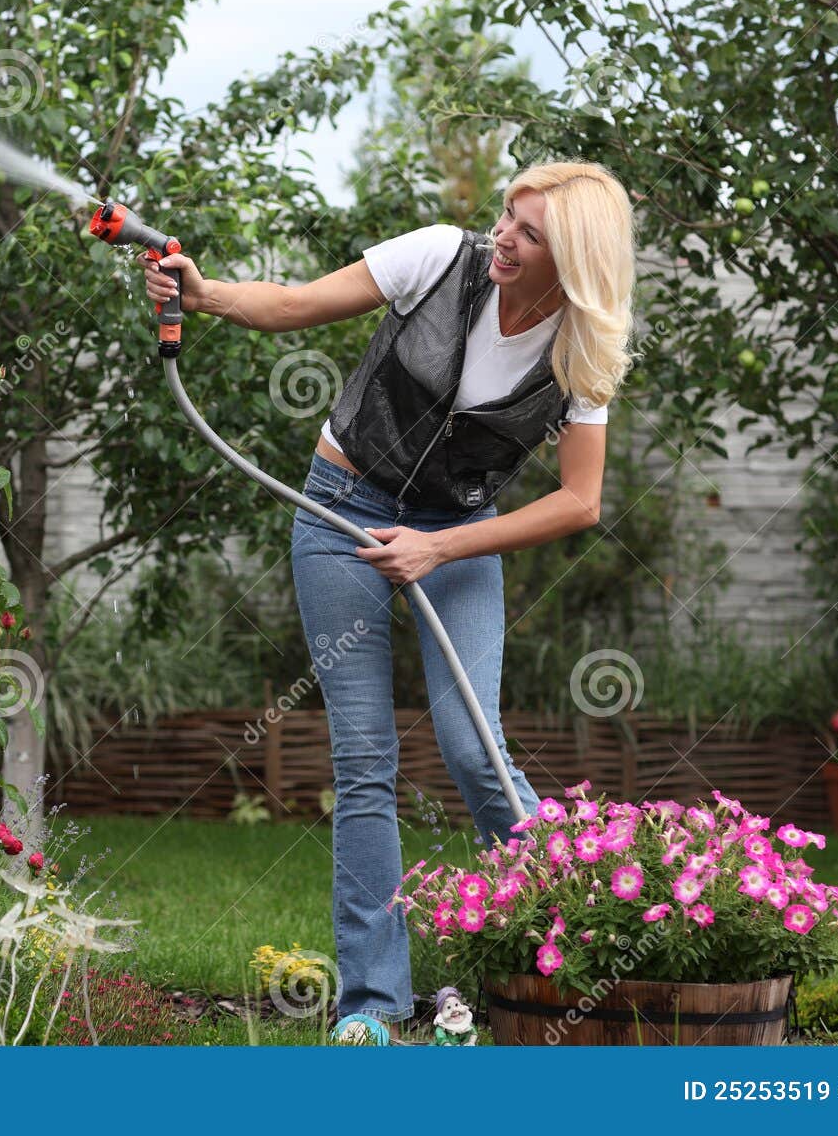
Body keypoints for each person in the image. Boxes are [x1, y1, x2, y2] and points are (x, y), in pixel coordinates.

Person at [141, 160, 638, 1043]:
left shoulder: (584, 346)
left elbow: (580, 502)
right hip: (340, 513)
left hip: (455, 537)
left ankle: (575, 949)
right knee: (363, 757)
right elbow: (295, 303)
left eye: (527, 232)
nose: (503, 239)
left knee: (473, 748)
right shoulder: (439, 257)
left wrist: (438, 545)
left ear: (575, 256)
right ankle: (372, 1003)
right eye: (507, 219)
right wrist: (206, 293)